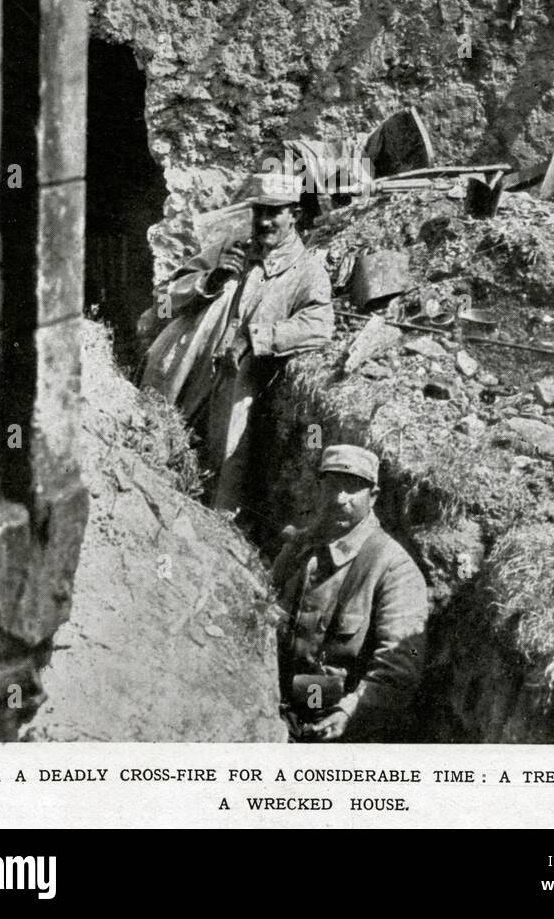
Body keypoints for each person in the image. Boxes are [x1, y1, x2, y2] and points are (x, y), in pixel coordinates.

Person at [140, 169, 333, 513]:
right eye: (260, 211)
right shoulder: (229, 250)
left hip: (236, 384)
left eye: (275, 212)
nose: (264, 222)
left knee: (218, 478)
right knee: (154, 452)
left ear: (295, 216)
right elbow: (163, 305)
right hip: (186, 372)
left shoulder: (307, 272)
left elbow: (318, 324)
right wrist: (208, 281)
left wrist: (253, 338)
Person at [273, 445, 428, 743]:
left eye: (353, 489)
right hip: (279, 707)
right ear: (319, 488)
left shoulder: (394, 569)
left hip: (342, 728)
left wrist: (349, 711)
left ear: (373, 496)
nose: (340, 498)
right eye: (332, 487)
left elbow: (400, 666)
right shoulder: (298, 549)